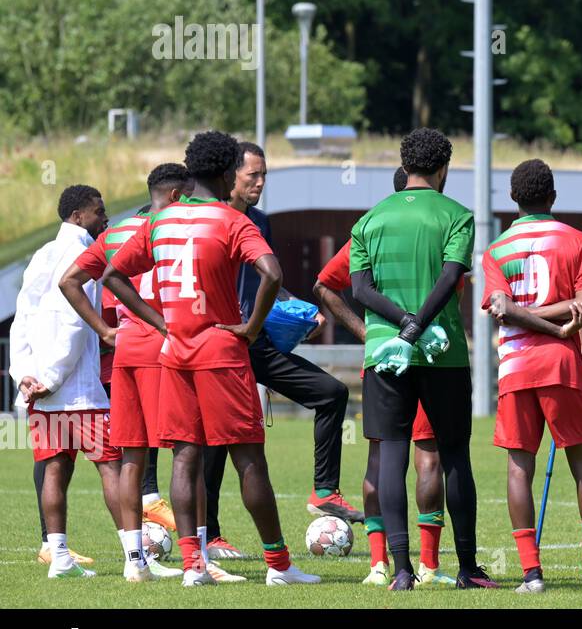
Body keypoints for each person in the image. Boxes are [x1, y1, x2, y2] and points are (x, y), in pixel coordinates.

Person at [104, 130, 319, 586]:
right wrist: (252, 327)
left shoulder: (159, 221)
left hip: (175, 353)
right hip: (221, 351)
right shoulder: (230, 220)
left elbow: (112, 274)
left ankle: (192, 566)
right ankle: (279, 566)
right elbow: (273, 273)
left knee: (184, 457)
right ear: (226, 175)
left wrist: (161, 321)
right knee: (249, 459)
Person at [350, 128, 496, 591]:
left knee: (391, 455)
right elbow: (452, 276)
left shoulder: (368, 221)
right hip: (443, 352)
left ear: (404, 164)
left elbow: (360, 291)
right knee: (454, 454)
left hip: (383, 353)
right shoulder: (458, 215)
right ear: (443, 169)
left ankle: (400, 570)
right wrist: (419, 325)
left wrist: (401, 322)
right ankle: (468, 568)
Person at [59, 164, 216, 581]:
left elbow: (70, 280)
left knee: (133, 458)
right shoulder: (178, 232)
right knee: (189, 453)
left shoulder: (114, 234)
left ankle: (135, 563)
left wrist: (106, 331)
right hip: (166, 349)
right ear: (179, 194)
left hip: (127, 348)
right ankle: (197, 559)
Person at [203, 142, 358, 563]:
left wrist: (299, 309)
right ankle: (208, 535)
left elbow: (267, 280)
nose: (260, 182)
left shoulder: (261, 222)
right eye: (252, 174)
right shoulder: (209, 219)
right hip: (218, 345)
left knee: (331, 393)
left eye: (265, 175)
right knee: (216, 439)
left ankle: (324, 491)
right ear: (229, 176)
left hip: (255, 341)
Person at [484, 159, 582, 593]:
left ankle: (531, 575)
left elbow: (499, 312)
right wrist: (560, 313)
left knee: (518, 467)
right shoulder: (577, 241)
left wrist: (517, 313)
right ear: (553, 196)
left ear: (514, 199)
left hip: (515, 366)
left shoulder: (496, 250)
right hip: (563, 363)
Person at [312, 167, 455, 588]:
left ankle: (381, 565)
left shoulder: (373, 226)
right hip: (431, 359)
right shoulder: (445, 225)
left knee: (381, 458)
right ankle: (427, 566)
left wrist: (369, 335)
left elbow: (324, 284)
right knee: (427, 456)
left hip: (385, 360)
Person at [10, 185, 120, 579]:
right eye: (98, 212)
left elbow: (22, 318)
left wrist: (24, 373)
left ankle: (58, 558)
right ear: (77, 216)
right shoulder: (84, 256)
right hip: (77, 391)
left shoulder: (40, 254)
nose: (105, 219)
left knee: (53, 469)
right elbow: (77, 323)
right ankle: (137, 558)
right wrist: (53, 378)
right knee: (112, 467)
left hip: (42, 389)